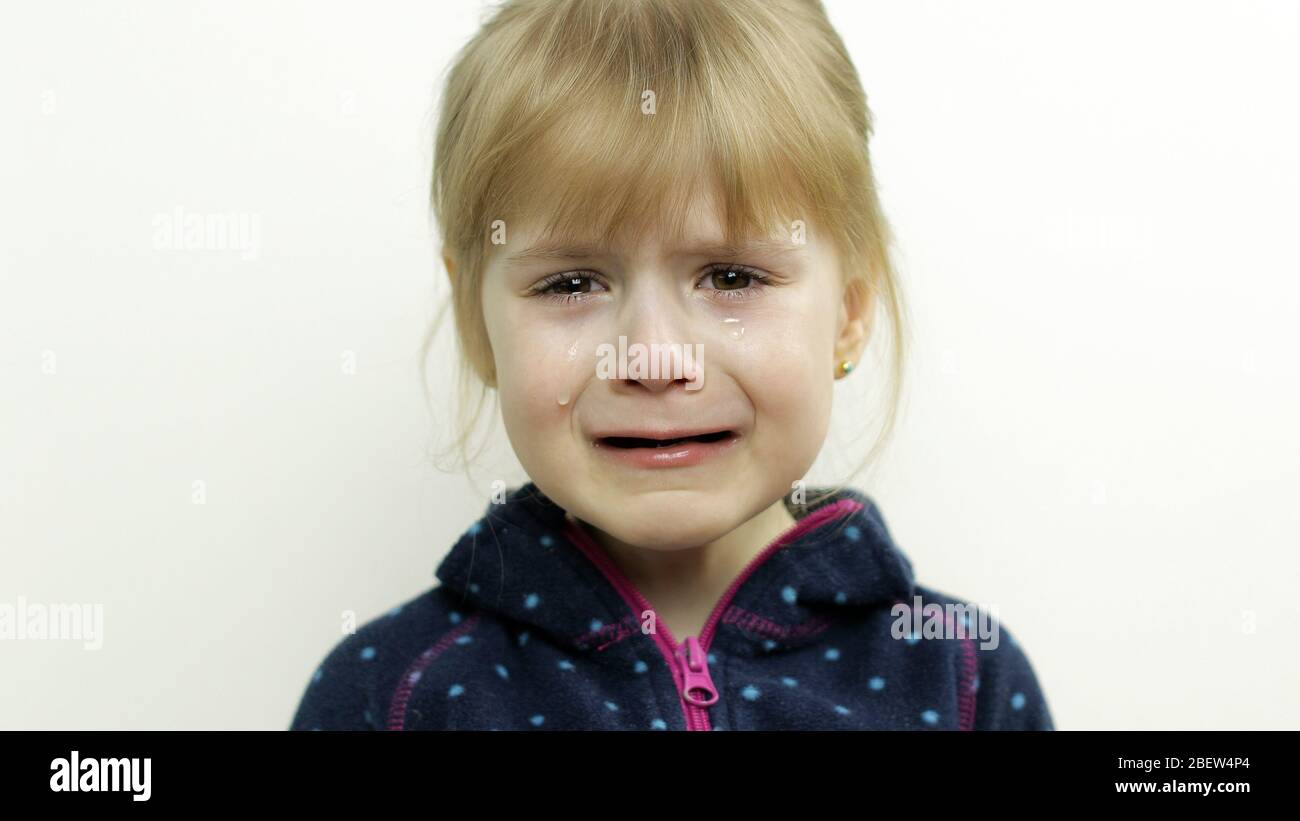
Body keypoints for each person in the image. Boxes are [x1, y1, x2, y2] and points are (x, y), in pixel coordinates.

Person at [291, 0, 1053, 731]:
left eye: (731, 277)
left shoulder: (966, 681)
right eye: (571, 283)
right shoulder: (388, 695)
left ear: (848, 316)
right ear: (477, 325)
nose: (654, 358)